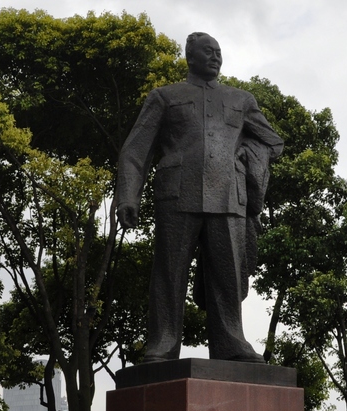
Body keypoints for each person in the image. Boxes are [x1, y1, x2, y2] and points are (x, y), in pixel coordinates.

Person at [116, 32, 284, 362]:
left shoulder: (242, 100)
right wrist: (127, 197)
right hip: (177, 194)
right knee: (169, 272)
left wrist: (244, 159)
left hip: (229, 196)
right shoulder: (165, 96)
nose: (215, 56)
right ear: (190, 58)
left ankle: (231, 342)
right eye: (208, 51)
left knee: (228, 274)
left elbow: (272, 142)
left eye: (219, 51)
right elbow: (136, 150)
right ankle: (162, 343)